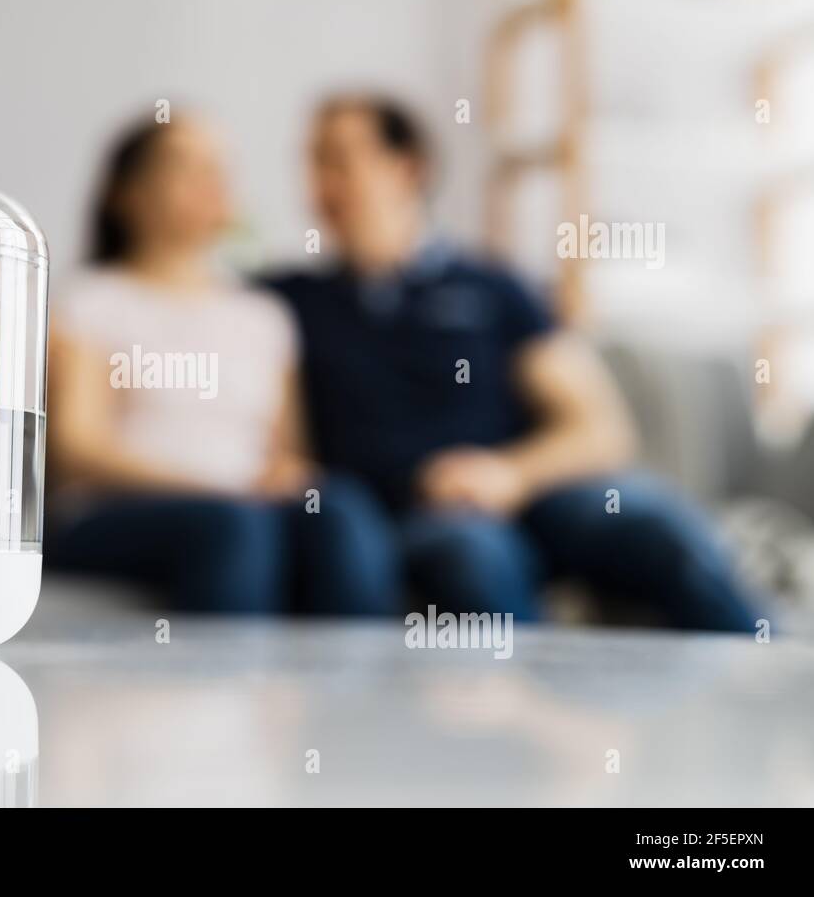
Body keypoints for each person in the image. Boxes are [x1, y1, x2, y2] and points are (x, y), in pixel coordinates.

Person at [265, 93, 760, 631]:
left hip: (536, 495)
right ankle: (522, 713)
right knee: (474, 556)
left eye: (339, 160)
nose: (321, 185)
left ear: (406, 168)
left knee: (662, 528)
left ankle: (781, 684)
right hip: (407, 515)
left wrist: (509, 474)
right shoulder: (289, 302)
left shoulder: (493, 286)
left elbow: (602, 429)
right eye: (314, 163)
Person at [46, 114, 398, 614]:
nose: (210, 182)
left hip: (242, 503)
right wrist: (217, 488)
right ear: (126, 193)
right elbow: (77, 446)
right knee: (234, 526)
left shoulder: (263, 315)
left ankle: (352, 690)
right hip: (117, 509)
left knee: (338, 509)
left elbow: (287, 454)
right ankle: (228, 692)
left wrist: (276, 481)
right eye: (184, 166)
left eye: (218, 168)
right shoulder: (90, 302)